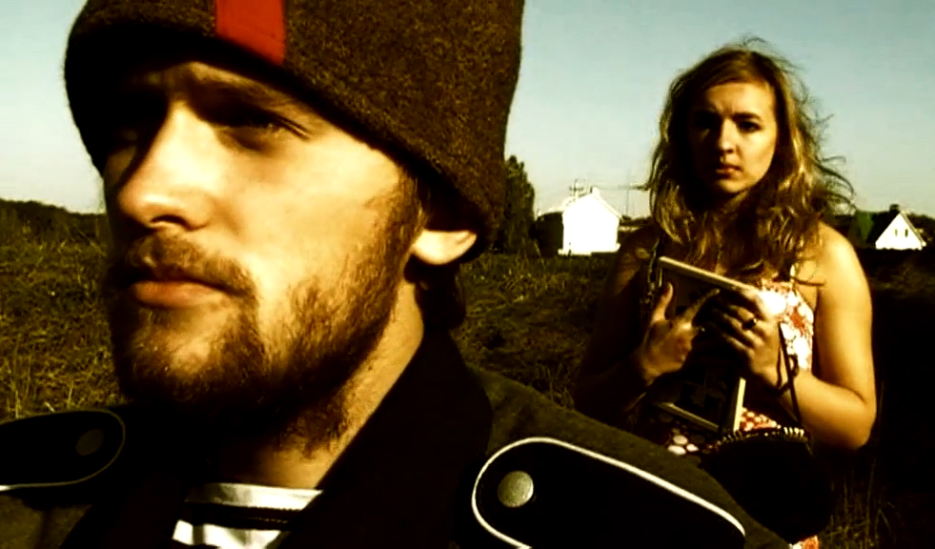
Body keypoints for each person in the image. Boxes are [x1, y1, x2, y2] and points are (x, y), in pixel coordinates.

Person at [0, 2, 789, 548]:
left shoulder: (653, 535)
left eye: (252, 122)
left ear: (441, 213)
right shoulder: (23, 501)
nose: (141, 191)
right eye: (128, 125)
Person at [572, 40, 877, 548]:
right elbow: (588, 401)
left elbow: (856, 426)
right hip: (655, 514)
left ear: (782, 139)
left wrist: (775, 372)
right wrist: (644, 366)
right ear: (681, 135)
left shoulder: (824, 257)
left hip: (766, 521)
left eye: (748, 124)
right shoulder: (647, 251)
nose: (723, 143)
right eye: (705, 122)